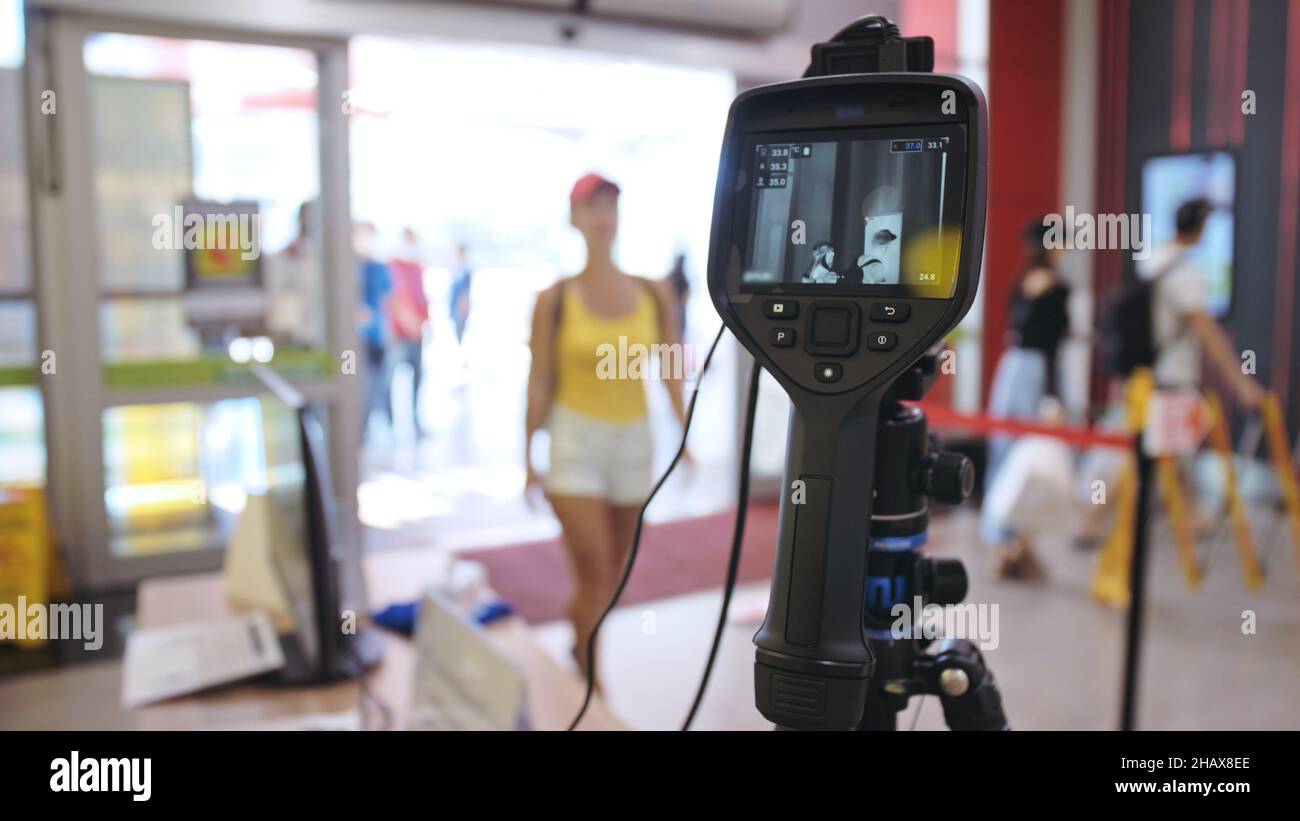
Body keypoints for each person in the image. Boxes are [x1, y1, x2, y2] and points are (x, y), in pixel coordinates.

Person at [524, 173, 689, 687]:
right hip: (575, 442)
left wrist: (685, 436)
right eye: (592, 207)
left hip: (634, 441)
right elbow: (539, 381)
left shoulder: (652, 291)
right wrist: (525, 455)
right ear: (574, 219)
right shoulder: (555, 299)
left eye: (610, 206)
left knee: (614, 573)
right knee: (593, 569)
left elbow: (670, 368)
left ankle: (580, 642)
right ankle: (594, 683)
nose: (602, 217)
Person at [980, 218, 1072, 578]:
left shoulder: (1022, 282)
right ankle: (1015, 545)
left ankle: (1008, 543)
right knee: (1028, 458)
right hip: (1038, 374)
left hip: (1013, 369)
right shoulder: (1057, 287)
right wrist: (1056, 396)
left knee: (1009, 454)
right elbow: (1052, 344)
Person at [1142, 198, 1262, 408]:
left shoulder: (1153, 259)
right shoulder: (1184, 272)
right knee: (1173, 442)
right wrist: (1241, 383)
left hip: (1145, 378)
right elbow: (1206, 329)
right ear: (1201, 227)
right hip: (1174, 382)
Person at [388, 228, 429, 438]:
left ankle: (416, 422)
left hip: (417, 335)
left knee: (418, 380)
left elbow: (422, 299)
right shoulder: (393, 267)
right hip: (399, 335)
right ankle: (392, 426)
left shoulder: (417, 268)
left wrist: (423, 324)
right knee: (390, 380)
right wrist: (407, 322)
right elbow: (395, 299)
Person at [355, 222, 393, 442]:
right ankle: (354, 435)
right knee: (351, 381)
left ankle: (362, 437)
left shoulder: (379, 268)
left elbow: (387, 300)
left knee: (375, 387)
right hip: (349, 346)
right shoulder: (344, 266)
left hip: (376, 341)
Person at [449, 243, 473, 346]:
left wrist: (463, 310)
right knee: (456, 333)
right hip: (454, 308)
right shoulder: (456, 270)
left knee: (460, 333)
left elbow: (465, 294)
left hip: (460, 310)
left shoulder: (465, 272)